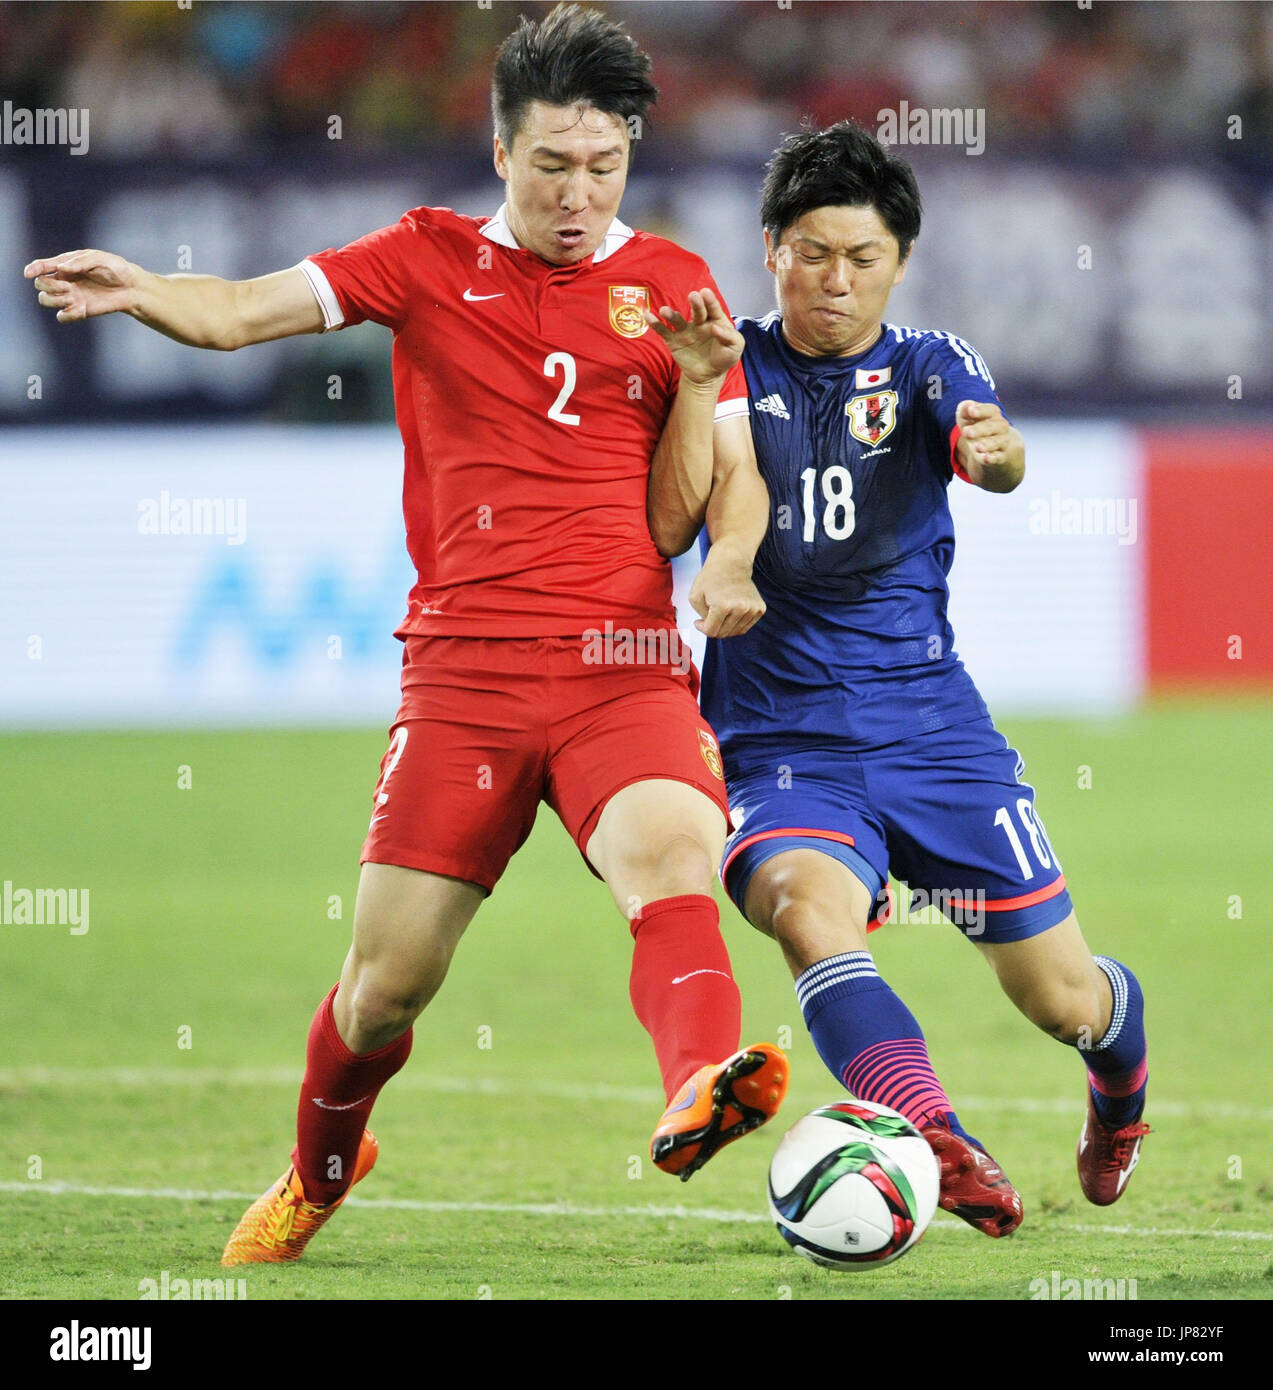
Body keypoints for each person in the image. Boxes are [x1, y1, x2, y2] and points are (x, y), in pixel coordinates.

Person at [26, 4, 788, 1266]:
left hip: (623, 666)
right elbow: (239, 312)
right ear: (501, 153)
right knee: (384, 989)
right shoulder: (424, 257)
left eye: (603, 168)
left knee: (674, 856)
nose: (578, 194)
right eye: (552, 165)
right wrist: (147, 289)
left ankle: (704, 1080)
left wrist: (735, 546)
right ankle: (321, 1171)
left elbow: (721, 485)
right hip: (467, 680)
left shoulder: (673, 288)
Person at [699, 120, 1149, 1237]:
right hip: (779, 736)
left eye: (861, 258)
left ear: (898, 262)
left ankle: (1119, 1089)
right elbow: (722, 483)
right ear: (770, 249)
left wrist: (996, 453)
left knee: (1062, 998)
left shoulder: (927, 364)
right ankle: (934, 1136)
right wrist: (727, 562)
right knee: (809, 913)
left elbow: (987, 447)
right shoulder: (725, 364)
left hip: (931, 732)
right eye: (811, 252)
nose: (835, 281)